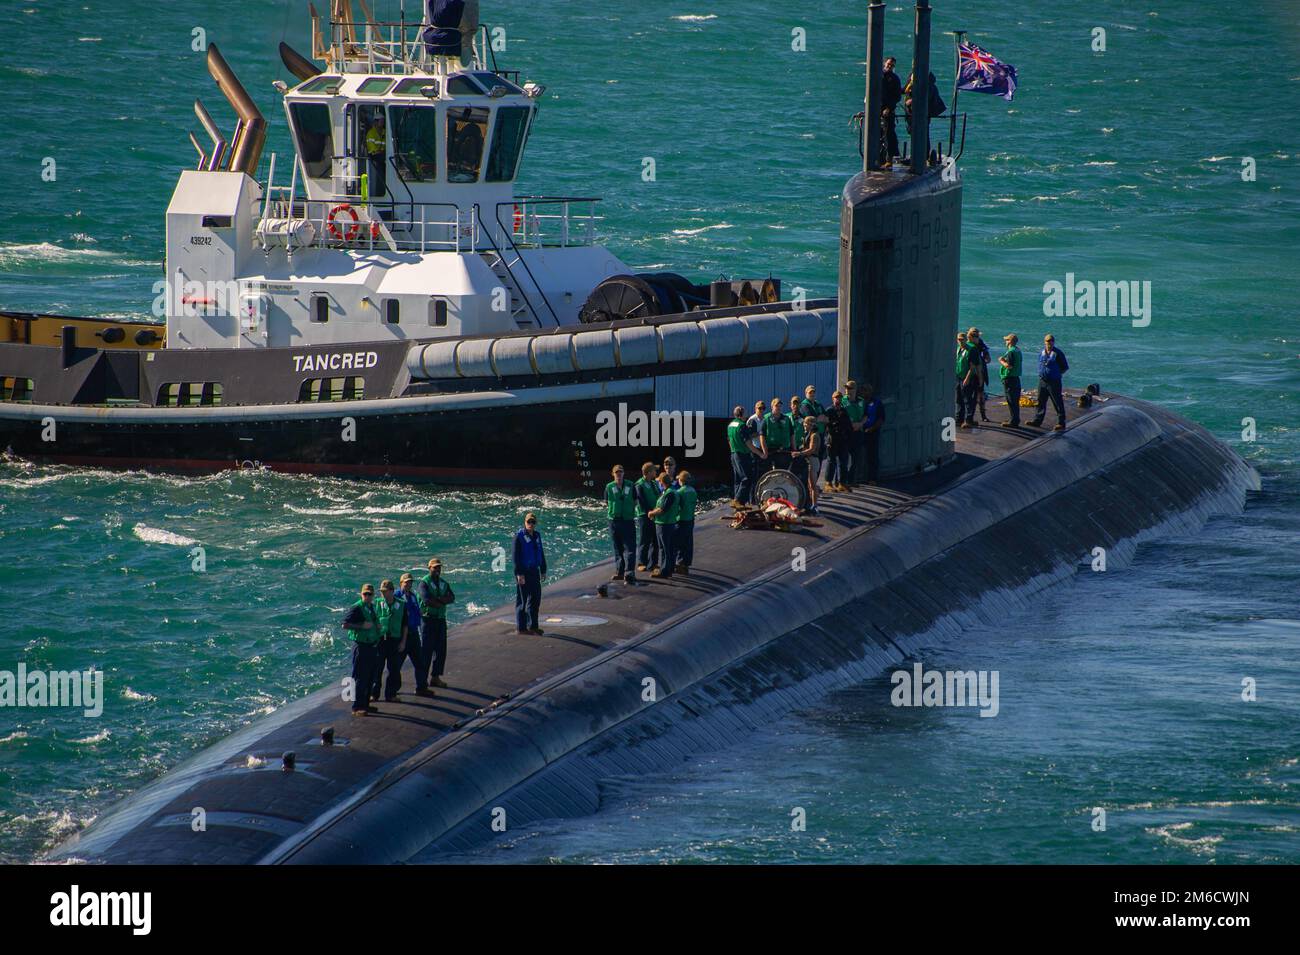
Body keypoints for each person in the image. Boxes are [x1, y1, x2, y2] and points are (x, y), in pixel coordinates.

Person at [342, 583, 381, 716]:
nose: (367, 596)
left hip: (371, 645)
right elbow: (345, 624)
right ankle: (356, 707)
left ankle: (365, 704)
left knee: (370, 676)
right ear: (361, 594)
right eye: (365, 594)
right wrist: (361, 626)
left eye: (370, 594)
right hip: (361, 646)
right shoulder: (357, 608)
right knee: (359, 677)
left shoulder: (371, 607)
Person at [418, 558, 454, 688]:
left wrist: (438, 600)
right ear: (429, 568)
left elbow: (452, 597)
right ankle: (422, 680)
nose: (438, 570)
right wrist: (441, 602)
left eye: (439, 567)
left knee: (441, 650)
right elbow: (426, 600)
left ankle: (435, 677)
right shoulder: (424, 583)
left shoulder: (444, 583)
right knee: (426, 651)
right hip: (428, 620)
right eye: (435, 568)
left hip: (440, 620)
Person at [371, 579, 406, 702]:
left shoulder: (401, 605)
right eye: (381, 592)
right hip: (381, 640)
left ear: (392, 591)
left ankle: (391, 694)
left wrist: (403, 642)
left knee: (394, 669)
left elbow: (405, 625)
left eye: (385, 591)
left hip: (394, 640)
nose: (383, 594)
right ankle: (374, 694)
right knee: (377, 668)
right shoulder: (377, 604)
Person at [513, 513, 547, 633]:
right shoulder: (519, 537)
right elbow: (515, 557)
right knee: (522, 601)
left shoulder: (537, 536)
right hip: (523, 572)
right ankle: (521, 628)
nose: (531, 524)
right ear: (525, 522)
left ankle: (533, 626)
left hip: (534, 571)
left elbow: (541, 553)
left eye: (533, 522)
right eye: (529, 522)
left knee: (535, 599)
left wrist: (543, 570)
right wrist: (519, 573)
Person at [397, 573, 430, 696]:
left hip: (414, 633)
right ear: (401, 583)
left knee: (419, 662)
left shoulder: (412, 596)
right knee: (397, 664)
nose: (409, 584)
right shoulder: (397, 596)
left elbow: (416, 612)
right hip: (402, 634)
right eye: (406, 582)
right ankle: (393, 691)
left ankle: (421, 687)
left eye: (410, 582)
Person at [605, 464, 638, 584]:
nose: (619, 474)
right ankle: (620, 571)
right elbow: (607, 502)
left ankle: (629, 572)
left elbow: (635, 501)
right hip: (614, 521)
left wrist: (627, 510)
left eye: (621, 472)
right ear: (613, 474)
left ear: (624, 473)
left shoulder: (631, 485)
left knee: (630, 547)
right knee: (618, 548)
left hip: (628, 520)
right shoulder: (609, 487)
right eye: (616, 472)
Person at [1029, 334, 1069, 431]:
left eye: (1051, 341)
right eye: (1047, 341)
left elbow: (1065, 367)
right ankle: (1037, 420)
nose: (1049, 343)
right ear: (1044, 342)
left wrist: (1056, 375)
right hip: (1042, 380)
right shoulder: (1041, 352)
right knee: (1040, 401)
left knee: (1057, 402)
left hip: (1054, 382)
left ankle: (1061, 422)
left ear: (1053, 342)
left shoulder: (1058, 353)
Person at [727, 406, 763, 505]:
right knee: (747, 478)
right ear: (742, 414)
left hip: (734, 454)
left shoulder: (730, 425)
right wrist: (760, 453)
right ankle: (738, 500)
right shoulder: (742, 426)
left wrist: (733, 451)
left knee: (738, 479)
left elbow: (729, 440)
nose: (747, 413)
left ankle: (738, 502)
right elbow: (748, 443)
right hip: (742, 455)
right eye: (745, 412)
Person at [647, 476, 679, 579]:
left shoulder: (669, 493)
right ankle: (668, 568)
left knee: (665, 548)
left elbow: (662, 509)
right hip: (666, 523)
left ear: (662, 482)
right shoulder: (670, 492)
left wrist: (651, 513)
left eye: (659, 482)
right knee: (666, 548)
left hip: (665, 524)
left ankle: (665, 571)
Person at [798, 385, 829, 488]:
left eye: (813, 392)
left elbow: (825, 417)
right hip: (810, 435)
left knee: (819, 459)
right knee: (810, 460)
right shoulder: (804, 405)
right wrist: (819, 418)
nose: (812, 394)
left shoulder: (818, 404)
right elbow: (810, 419)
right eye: (810, 392)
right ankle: (809, 485)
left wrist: (820, 418)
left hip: (820, 434)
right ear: (806, 393)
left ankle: (814, 484)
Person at [792, 416, 822, 514]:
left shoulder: (814, 435)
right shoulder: (808, 434)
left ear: (812, 425)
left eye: (806, 423)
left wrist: (799, 453)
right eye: (804, 423)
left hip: (813, 461)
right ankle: (811, 505)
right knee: (809, 485)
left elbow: (812, 450)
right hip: (809, 460)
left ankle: (815, 506)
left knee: (813, 485)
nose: (804, 425)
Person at [826, 391, 854, 492]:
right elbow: (826, 426)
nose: (838, 399)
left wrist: (849, 437)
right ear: (833, 399)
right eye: (836, 398)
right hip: (832, 439)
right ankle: (828, 483)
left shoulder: (844, 410)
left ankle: (842, 483)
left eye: (839, 398)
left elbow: (848, 425)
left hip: (843, 440)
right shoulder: (829, 410)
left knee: (844, 462)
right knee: (831, 462)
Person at [634, 462, 660, 572]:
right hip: (644, 515)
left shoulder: (653, 483)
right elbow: (641, 500)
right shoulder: (639, 484)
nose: (656, 472)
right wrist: (651, 511)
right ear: (648, 472)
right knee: (645, 539)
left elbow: (659, 496)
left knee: (655, 540)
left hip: (655, 514)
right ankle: (641, 562)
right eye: (654, 470)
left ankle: (653, 563)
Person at [674, 470, 698, 576]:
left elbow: (677, 507)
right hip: (690, 519)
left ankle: (680, 564)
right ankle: (686, 564)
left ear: (681, 480)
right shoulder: (693, 490)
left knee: (679, 543)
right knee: (688, 542)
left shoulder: (679, 492)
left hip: (681, 520)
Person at [843, 380, 866, 485]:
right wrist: (850, 424)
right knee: (844, 458)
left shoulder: (861, 401)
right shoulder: (843, 401)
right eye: (846, 388)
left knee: (856, 458)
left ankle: (852, 480)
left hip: (858, 432)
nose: (847, 390)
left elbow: (866, 415)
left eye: (850, 388)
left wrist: (860, 423)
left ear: (855, 390)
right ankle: (843, 480)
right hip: (847, 433)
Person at [862, 384, 885, 485]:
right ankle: (856, 477)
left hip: (872, 433)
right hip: (861, 432)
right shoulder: (861, 402)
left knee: (872, 456)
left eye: (866, 390)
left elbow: (881, 419)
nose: (864, 392)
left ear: (870, 392)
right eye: (863, 390)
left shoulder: (877, 403)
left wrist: (872, 428)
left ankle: (872, 478)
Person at [761, 397, 793, 472]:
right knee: (770, 472)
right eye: (776, 406)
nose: (778, 408)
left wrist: (794, 449)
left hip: (784, 450)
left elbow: (792, 434)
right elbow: (762, 436)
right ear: (772, 407)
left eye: (780, 406)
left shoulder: (786, 418)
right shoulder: (766, 418)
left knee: (782, 472)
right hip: (771, 450)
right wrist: (765, 451)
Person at [998, 333, 1023, 428]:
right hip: (1016, 378)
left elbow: (1009, 366)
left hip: (1010, 378)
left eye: (1006, 340)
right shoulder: (1018, 350)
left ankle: (1013, 420)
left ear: (1010, 342)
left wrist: (1001, 360)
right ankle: (1015, 419)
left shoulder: (1011, 352)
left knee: (1011, 400)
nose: (1005, 342)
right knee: (1014, 400)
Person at [881, 56, 903, 162]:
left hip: (888, 110)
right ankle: (880, 157)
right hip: (877, 108)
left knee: (890, 133)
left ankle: (891, 157)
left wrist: (889, 108)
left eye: (892, 65)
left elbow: (897, 96)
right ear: (884, 63)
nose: (890, 66)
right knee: (878, 134)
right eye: (888, 64)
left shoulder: (894, 79)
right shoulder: (878, 76)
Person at [968, 327, 992, 422]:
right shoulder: (967, 345)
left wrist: (982, 361)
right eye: (974, 335)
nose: (976, 337)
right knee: (968, 395)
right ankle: (969, 417)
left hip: (980, 371)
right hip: (970, 371)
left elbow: (988, 358)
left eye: (977, 336)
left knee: (980, 394)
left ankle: (983, 415)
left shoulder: (981, 344)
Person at [365, 112, 387, 200]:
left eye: (383, 121)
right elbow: (372, 150)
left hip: (384, 156)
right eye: (381, 121)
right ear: (375, 122)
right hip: (375, 158)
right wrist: (381, 151)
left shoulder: (385, 132)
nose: (382, 123)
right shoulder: (371, 133)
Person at [746, 400, 768, 471]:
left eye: (763, 408)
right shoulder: (752, 420)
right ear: (755, 409)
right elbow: (747, 436)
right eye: (759, 408)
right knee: (754, 469)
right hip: (755, 449)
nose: (761, 410)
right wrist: (760, 433)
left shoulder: (765, 419)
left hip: (764, 448)